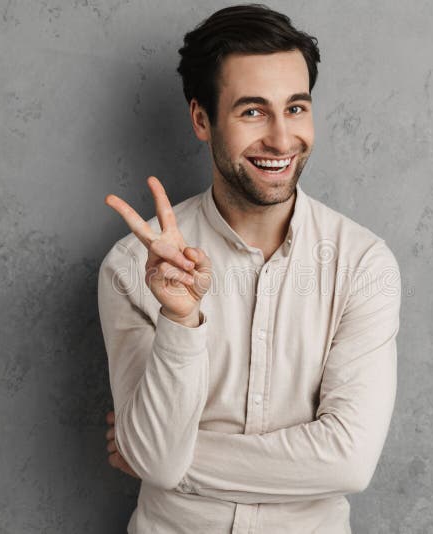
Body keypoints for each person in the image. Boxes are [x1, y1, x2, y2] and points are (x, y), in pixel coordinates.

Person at [97, 4, 402, 533]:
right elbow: (158, 461)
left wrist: (165, 457)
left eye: (297, 108)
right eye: (253, 112)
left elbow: (350, 460)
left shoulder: (363, 265)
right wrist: (181, 320)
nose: (283, 141)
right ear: (201, 118)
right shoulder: (131, 269)